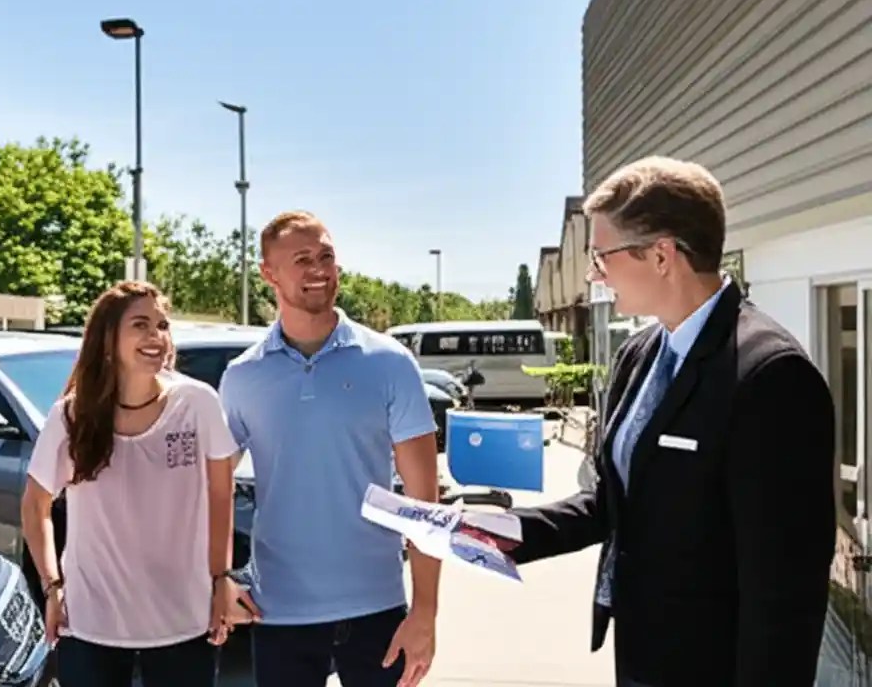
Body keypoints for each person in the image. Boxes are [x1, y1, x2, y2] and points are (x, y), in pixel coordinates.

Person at [506, 156, 836, 686]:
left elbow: (785, 592)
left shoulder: (770, 377)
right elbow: (618, 501)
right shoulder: (638, 354)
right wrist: (504, 531)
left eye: (600, 255)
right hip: (642, 657)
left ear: (662, 254)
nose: (593, 273)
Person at [219, 211, 443, 687]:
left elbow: (425, 501)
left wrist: (426, 612)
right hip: (278, 611)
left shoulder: (390, 362)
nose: (319, 269)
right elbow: (213, 490)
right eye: (302, 259)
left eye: (326, 256)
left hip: (378, 609)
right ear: (268, 273)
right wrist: (216, 579)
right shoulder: (242, 377)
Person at [20, 280, 249, 687]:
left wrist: (220, 579)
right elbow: (35, 506)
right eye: (140, 325)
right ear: (108, 340)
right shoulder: (70, 418)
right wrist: (52, 586)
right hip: (90, 623)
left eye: (162, 325)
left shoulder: (198, 404)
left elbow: (220, 493)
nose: (155, 336)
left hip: (183, 619)